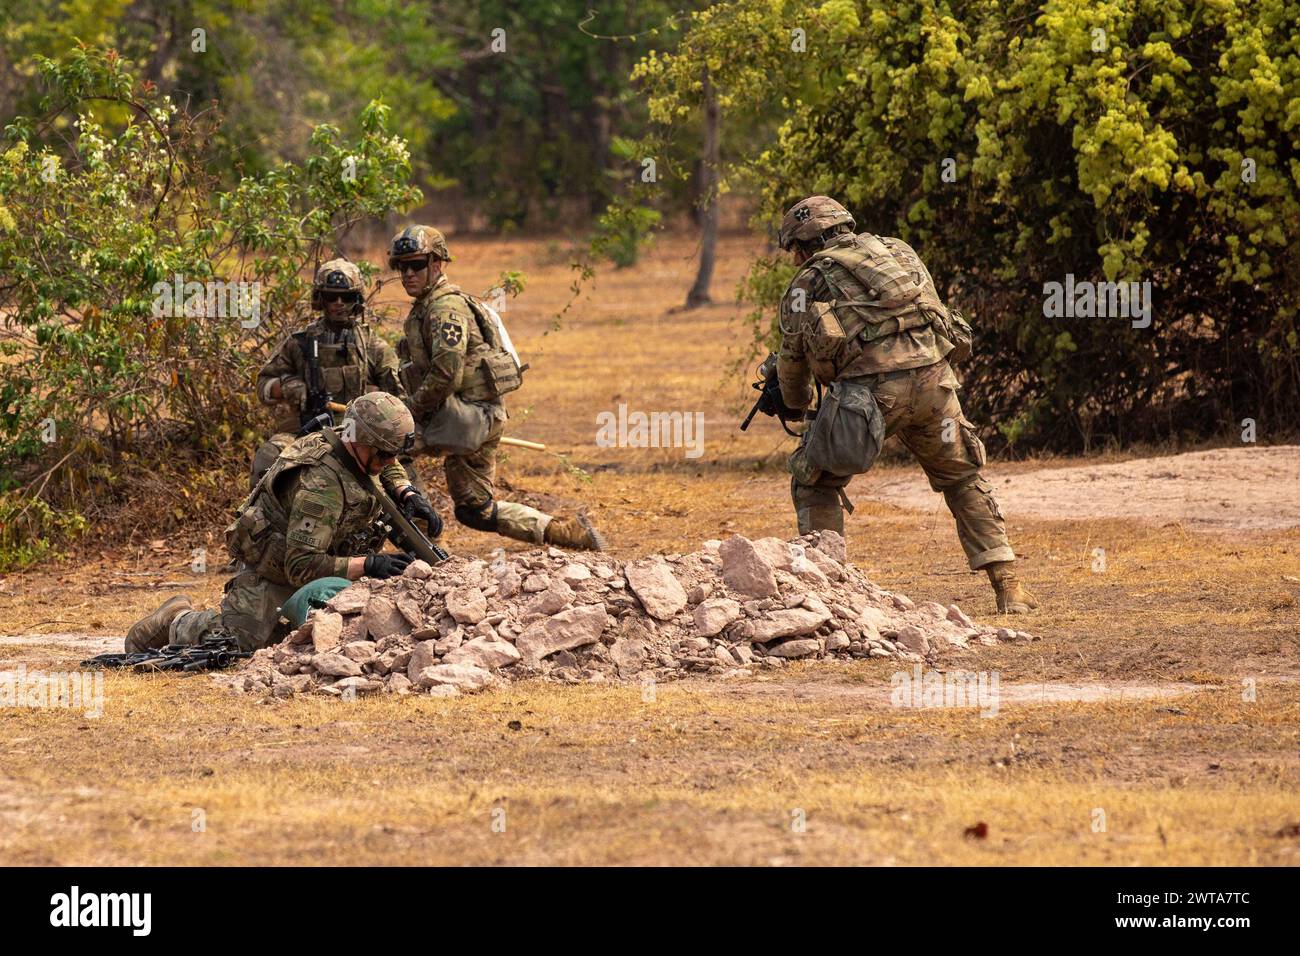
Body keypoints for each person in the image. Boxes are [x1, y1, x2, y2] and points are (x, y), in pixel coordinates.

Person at [775, 195, 1037, 614]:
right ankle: (1009, 586)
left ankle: (826, 592)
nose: (794, 260)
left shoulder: (806, 282)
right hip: (934, 385)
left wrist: (793, 405)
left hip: (867, 400)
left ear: (804, 245)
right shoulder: (899, 251)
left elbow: (792, 360)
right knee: (963, 478)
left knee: (813, 480)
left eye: (794, 251)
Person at [124, 393, 442, 652]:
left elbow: (388, 463)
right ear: (360, 440)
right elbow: (300, 566)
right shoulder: (321, 485)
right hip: (277, 571)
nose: (389, 461)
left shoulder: (355, 444)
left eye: (393, 454)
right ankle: (176, 619)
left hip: (326, 552)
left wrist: (406, 491)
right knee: (241, 643)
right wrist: (369, 565)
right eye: (384, 454)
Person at [387, 224, 605, 550]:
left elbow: (447, 374)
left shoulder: (444, 309)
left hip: (464, 419)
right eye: (401, 266)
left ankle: (420, 533)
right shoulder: (432, 306)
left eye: (415, 264)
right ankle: (567, 533)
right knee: (475, 510)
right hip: (481, 416)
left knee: (384, 447)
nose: (407, 273)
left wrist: (408, 410)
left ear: (437, 263)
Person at [250, 257, 406, 486]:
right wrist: (287, 387)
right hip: (307, 430)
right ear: (320, 298)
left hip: (357, 435)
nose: (339, 303)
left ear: (358, 299)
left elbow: (398, 398)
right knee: (268, 457)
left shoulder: (372, 346)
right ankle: (260, 517)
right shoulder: (300, 343)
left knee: (405, 489)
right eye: (332, 296)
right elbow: (263, 384)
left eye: (347, 297)